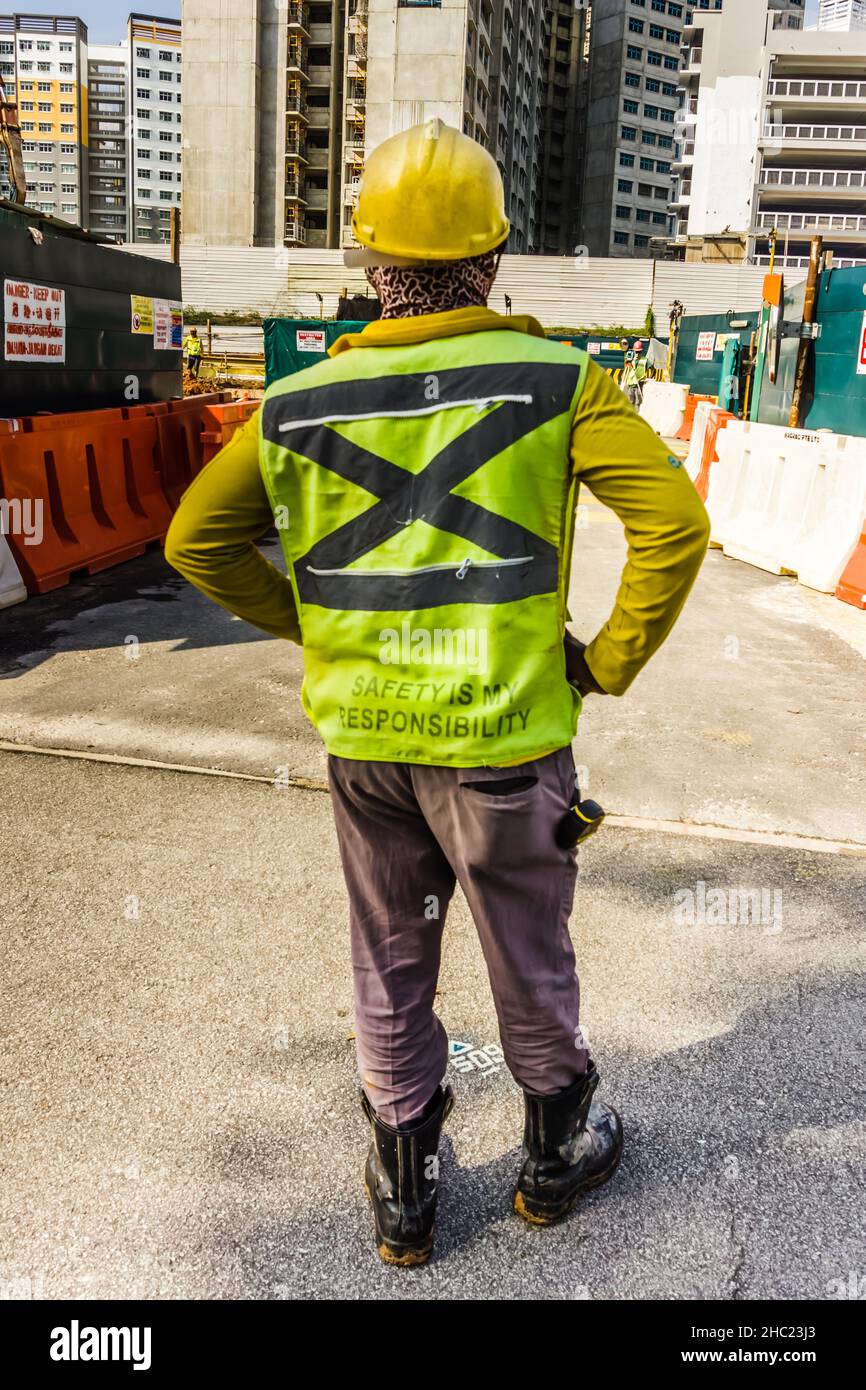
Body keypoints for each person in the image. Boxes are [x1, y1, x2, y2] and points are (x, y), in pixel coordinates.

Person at [165, 119, 710, 1268]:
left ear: (371, 269)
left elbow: (195, 544)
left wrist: (317, 626)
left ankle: (403, 1189)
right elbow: (672, 523)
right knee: (528, 953)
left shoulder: (294, 403)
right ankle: (554, 1157)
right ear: (493, 256)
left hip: (368, 755)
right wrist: (603, 661)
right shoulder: (563, 380)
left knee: (391, 954)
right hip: (505, 756)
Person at [620, 336, 647, 408]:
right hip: (631, 384)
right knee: (630, 401)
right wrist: (627, 363)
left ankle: (638, 414)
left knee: (639, 402)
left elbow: (652, 368)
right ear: (634, 351)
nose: (638, 353)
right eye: (636, 352)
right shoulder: (631, 359)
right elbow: (626, 370)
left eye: (639, 352)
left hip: (639, 383)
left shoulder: (645, 360)